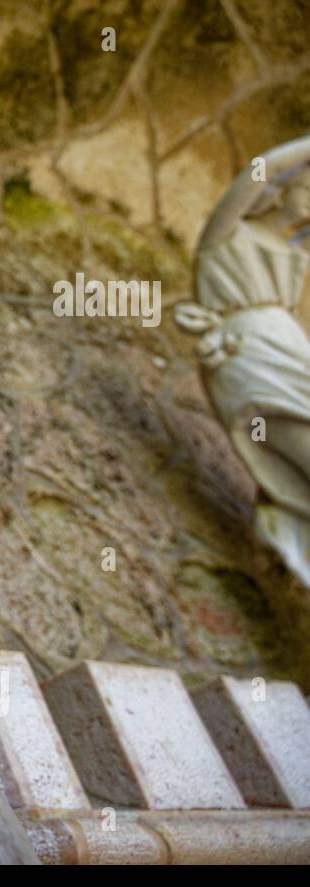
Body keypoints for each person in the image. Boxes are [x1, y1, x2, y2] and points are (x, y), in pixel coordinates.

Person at [176, 133, 310, 587]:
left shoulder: (297, 256)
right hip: (250, 358)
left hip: (294, 354)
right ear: (284, 188)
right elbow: (263, 165)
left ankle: (284, 528)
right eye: (308, 186)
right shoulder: (228, 234)